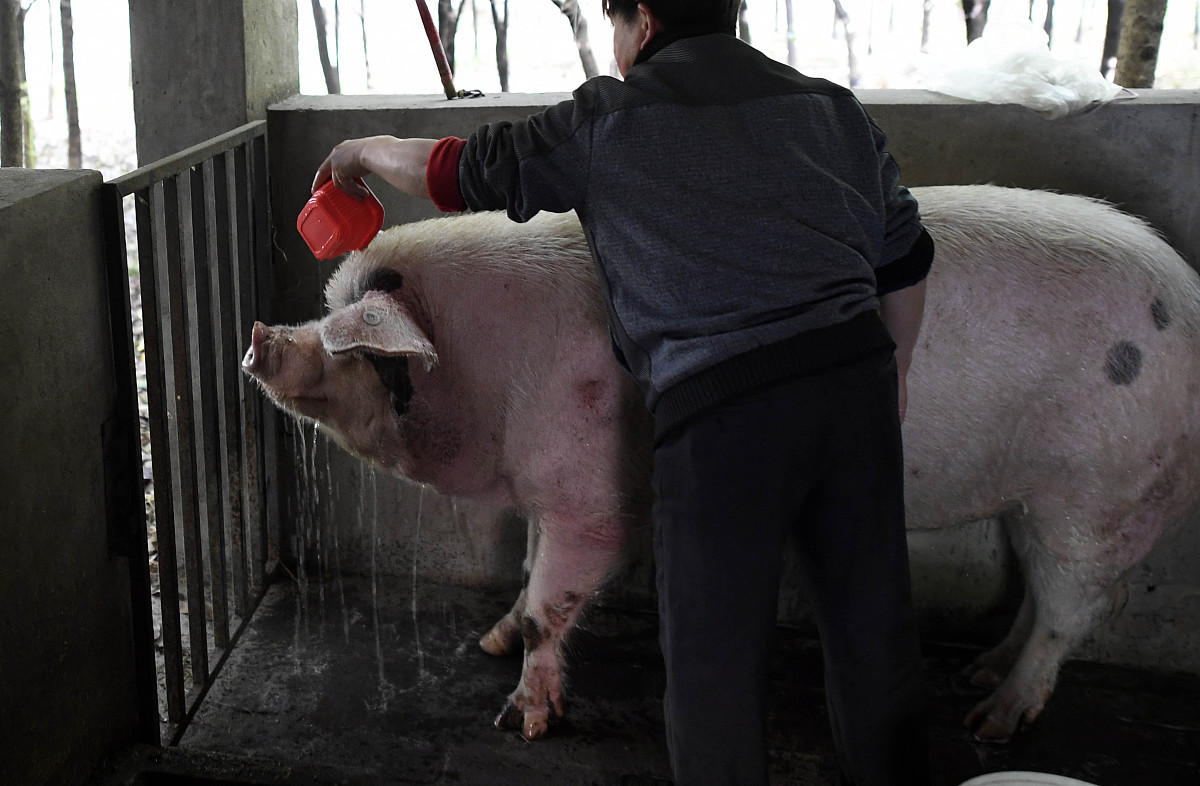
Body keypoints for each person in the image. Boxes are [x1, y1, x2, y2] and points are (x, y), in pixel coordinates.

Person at [313, 1, 934, 783]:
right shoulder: (831, 107)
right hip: (854, 388)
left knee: (715, 673)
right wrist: (894, 377)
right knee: (875, 645)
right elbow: (906, 257)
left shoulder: (609, 117)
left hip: (724, 414)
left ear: (641, 19)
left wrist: (361, 151)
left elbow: (455, 171)